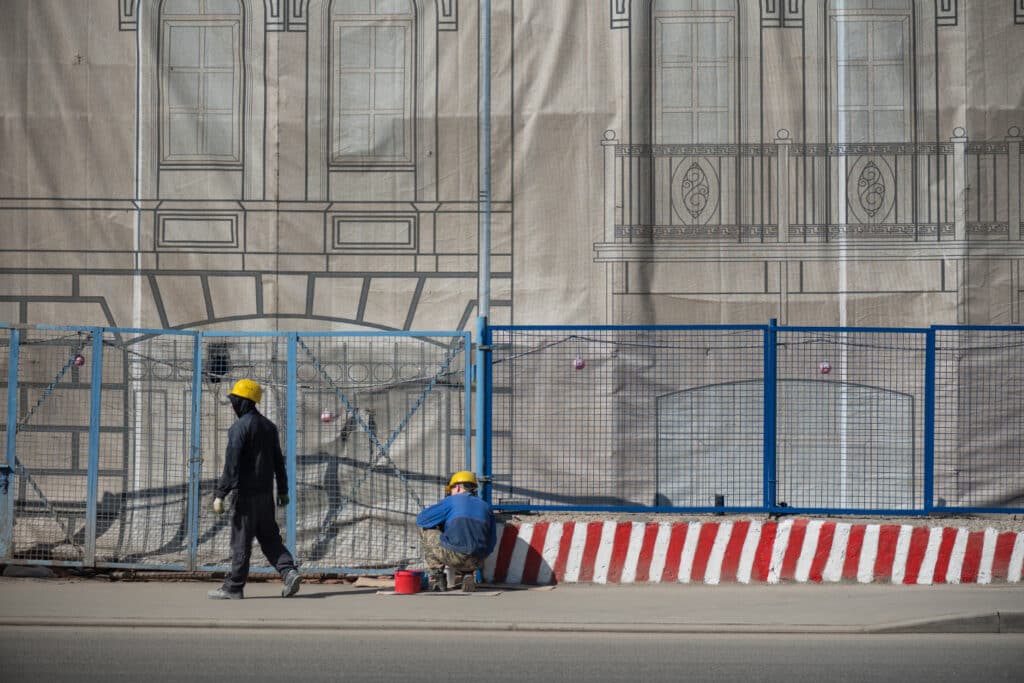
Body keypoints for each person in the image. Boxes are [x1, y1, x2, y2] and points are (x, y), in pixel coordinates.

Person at [207, 378, 302, 600]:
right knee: (270, 538)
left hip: (245, 496)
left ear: (243, 402)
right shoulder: (269, 427)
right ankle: (289, 572)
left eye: (234, 400)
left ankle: (233, 587)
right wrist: (283, 490)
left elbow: (232, 464)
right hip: (265, 496)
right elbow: (279, 461)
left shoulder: (239, 428)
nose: (232, 404)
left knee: (241, 541)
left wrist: (221, 494)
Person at [415, 470, 496, 592]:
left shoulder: (452, 501)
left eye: (451, 489)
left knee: (425, 528)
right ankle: (467, 573)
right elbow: (492, 540)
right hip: (479, 559)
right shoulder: (486, 507)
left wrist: (441, 523)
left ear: (458, 488)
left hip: (454, 556)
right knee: (466, 543)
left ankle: (438, 578)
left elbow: (421, 519)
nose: (450, 493)